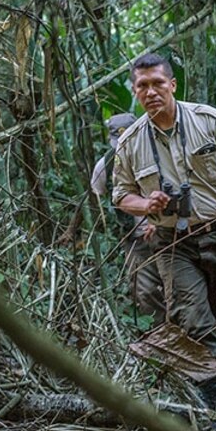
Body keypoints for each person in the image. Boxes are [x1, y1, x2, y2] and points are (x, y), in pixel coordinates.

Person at [111, 52, 216, 411]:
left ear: (173, 85)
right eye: (142, 86)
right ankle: (215, 410)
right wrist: (145, 205)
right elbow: (120, 195)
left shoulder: (208, 120)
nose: (150, 92)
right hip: (172, 242)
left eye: (157, 84)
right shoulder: (130, 142)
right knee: (193, 317)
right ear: (135, 91)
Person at [89, 113, 166, 327]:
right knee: (145, 291)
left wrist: (156, 221)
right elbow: (97, 195)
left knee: (177, 286)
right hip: (135, 239)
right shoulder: (105, 165)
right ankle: (159, 336)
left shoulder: (161, 152)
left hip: (168, 233)